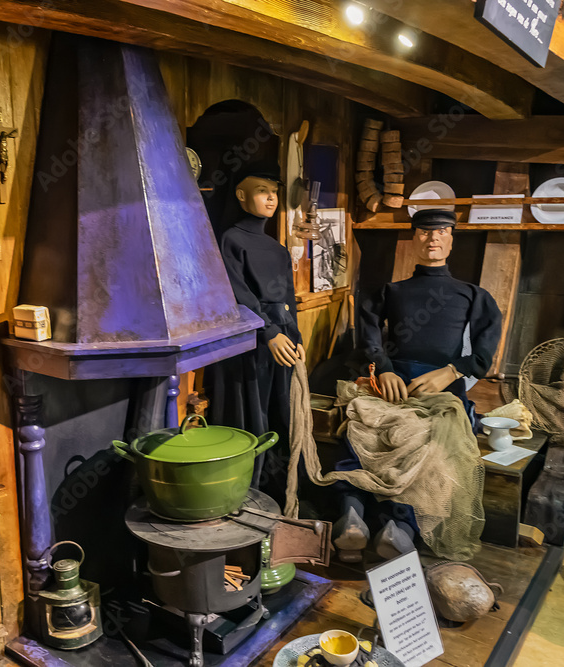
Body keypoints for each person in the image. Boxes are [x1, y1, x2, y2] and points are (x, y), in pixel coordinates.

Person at [331, 208, 502, 562]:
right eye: (424, 232)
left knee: (430, 445)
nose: (433, 238)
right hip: (392, 386)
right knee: (363, 429)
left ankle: (401, 528)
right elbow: (369, 335)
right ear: (414, 239)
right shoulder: (392, 291)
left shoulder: (473, 295)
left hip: (443, 394)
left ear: (452, 239)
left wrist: (454, 370)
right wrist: (385, 369)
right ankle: (352, 518)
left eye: (441, 231)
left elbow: (483, 355)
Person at [204, 166, 303, 494]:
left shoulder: (278, 249)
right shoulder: (230, 240)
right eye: (262, 190)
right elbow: (236, 293)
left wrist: (295, 336)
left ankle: (276, 489)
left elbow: (289, 298)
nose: (271, 197)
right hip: (252, 341)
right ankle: (247, 487)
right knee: (250, 414)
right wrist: (268, 332)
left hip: (281, 340)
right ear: (241, 195)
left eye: (274, 190)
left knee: (280, 413)